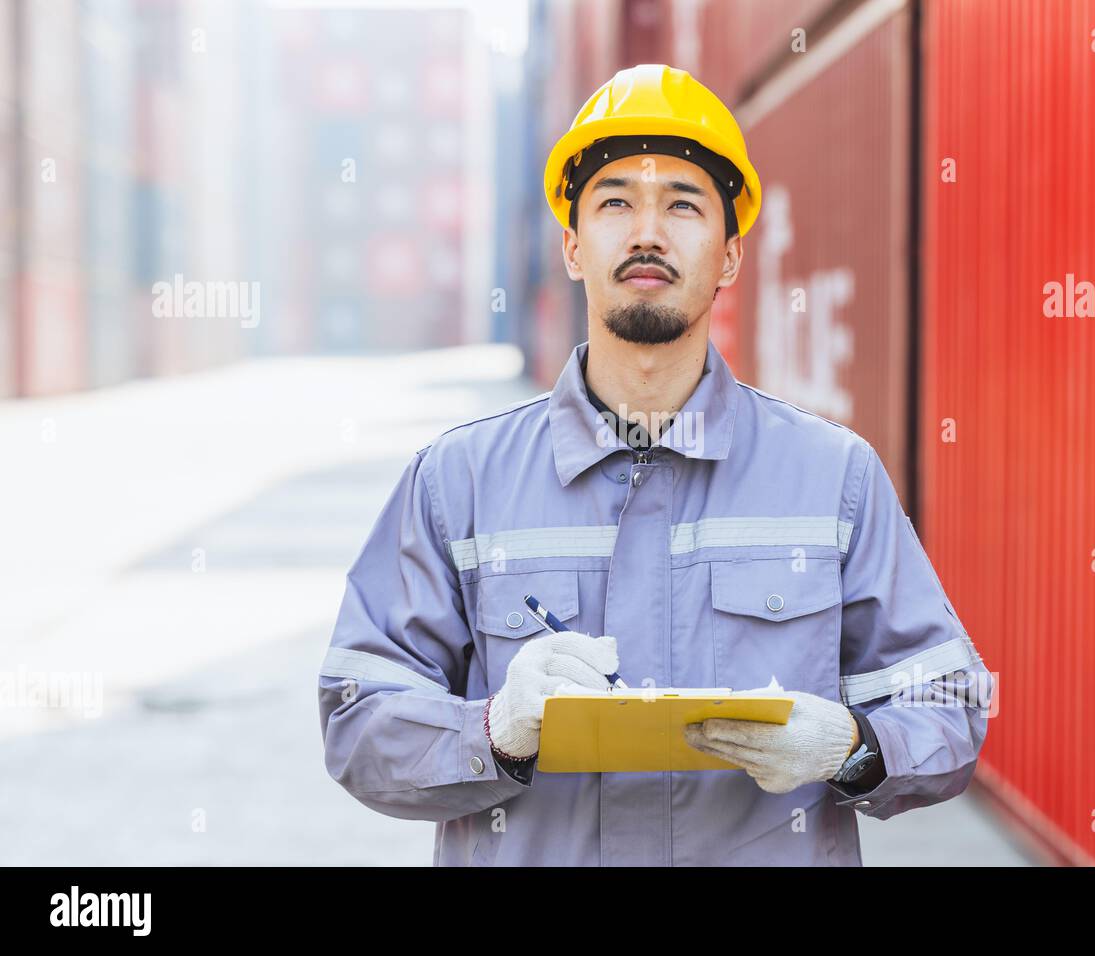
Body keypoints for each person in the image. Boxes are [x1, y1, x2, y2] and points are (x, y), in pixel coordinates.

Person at [318, 63, 993, 866]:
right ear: (573, 247)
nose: (647, 232)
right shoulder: (457, 481)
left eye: (682, 202)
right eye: (614, 203)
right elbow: (357, 715)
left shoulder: (835, 478)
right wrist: (491, 731)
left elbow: (949, 703)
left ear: (730, 256)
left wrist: (852, 746)